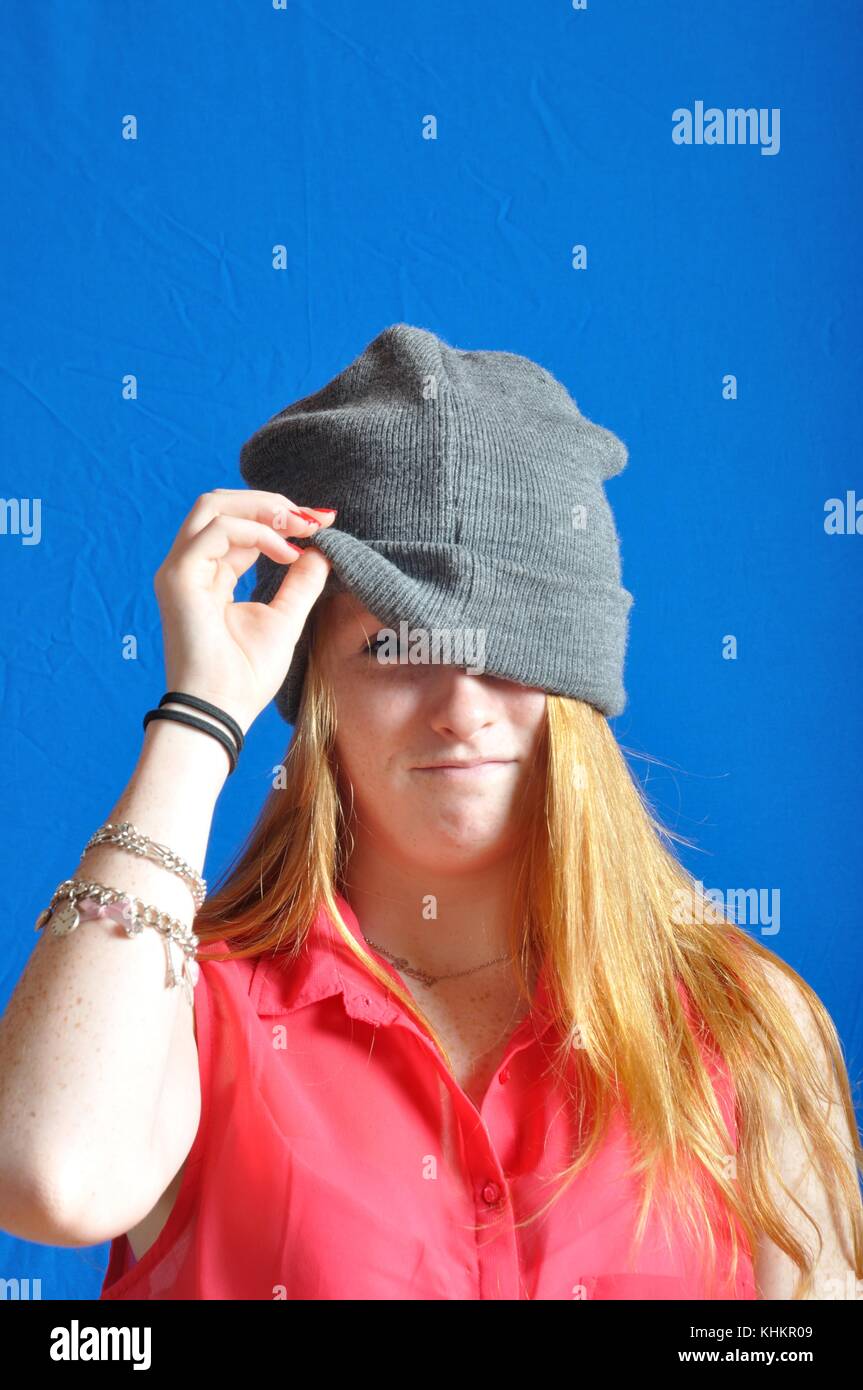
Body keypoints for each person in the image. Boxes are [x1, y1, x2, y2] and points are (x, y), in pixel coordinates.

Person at [1, 324, 861, 1302]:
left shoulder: (743, 1024)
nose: (459, 708)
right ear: (312, 678)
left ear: (575, 684)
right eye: (390, 649)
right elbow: (47, 1180)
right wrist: (202, 714)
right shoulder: (183, 1012)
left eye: (506, 646)